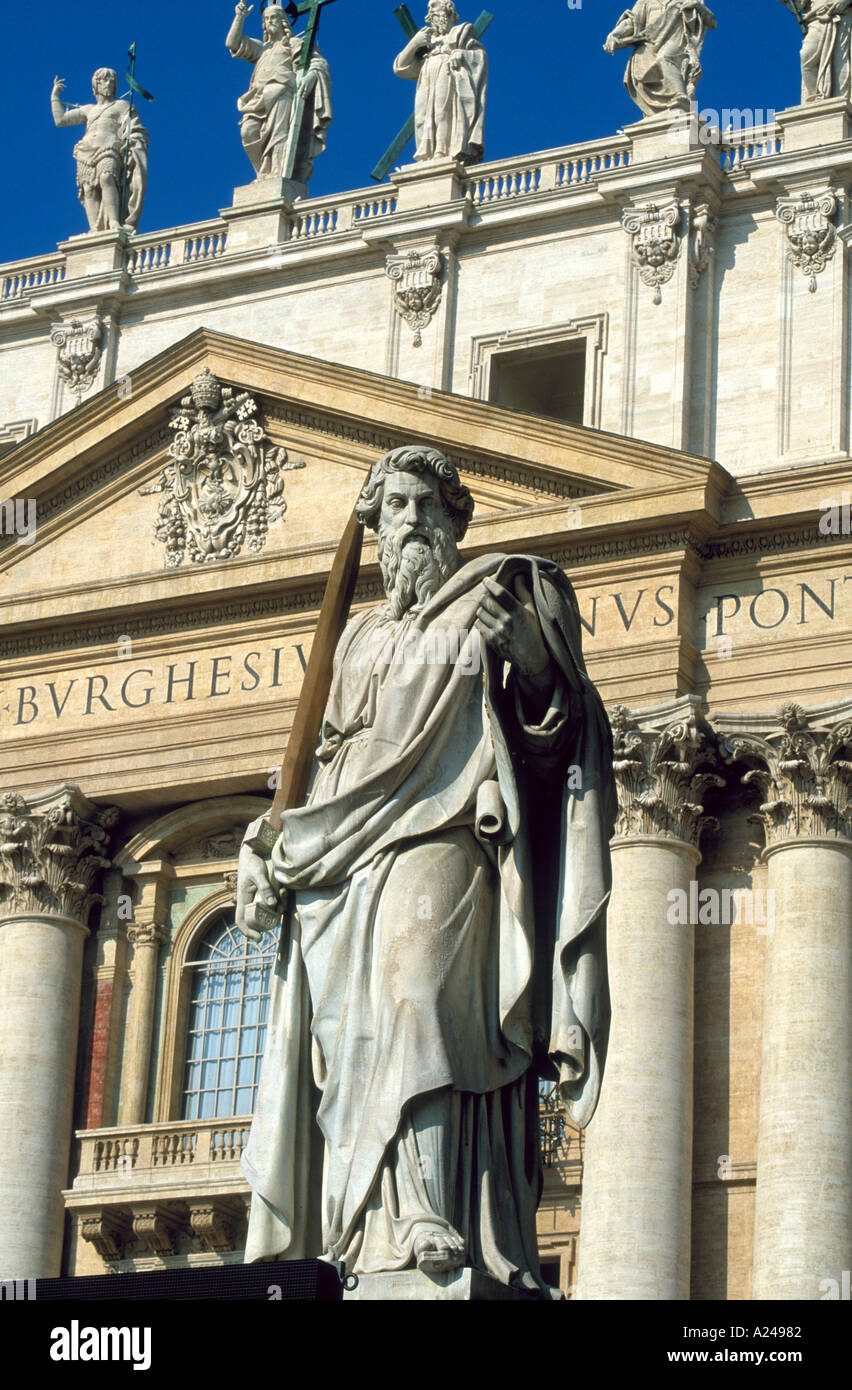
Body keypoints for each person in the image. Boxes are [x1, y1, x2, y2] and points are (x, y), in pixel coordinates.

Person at [236, 445, 615, 1292]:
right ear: (373, 528)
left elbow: (557, 738)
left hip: (445, 832)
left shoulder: (493, 600)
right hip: (343, 862)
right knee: (350, 1043)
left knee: (420, 999)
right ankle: (367, 1233)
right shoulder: (360, 638)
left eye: (428, 507)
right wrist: (270, 845)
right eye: (396, 507)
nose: (411, 522)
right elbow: (323, 757)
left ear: (454, 521)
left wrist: (536, 662)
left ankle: (426, 1212)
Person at [225, 1, 332, 185]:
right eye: (266, 19)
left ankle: (276, 175)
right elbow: (232, 43)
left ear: (283, 20)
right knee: (248, 132)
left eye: (273, 17)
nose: (269, 21)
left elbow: (318, 63)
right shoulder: (262, 49)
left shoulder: (294, 43)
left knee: (279, 135)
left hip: (282, 92)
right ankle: (262, 173)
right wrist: (239, 18)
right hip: (257, 98)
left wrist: (311, 76)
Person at [51, 69, 148, 233]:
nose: (109, 84)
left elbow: (135, 128)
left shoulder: (122, 105)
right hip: (85, 151)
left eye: (112, 81)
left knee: (107, 178)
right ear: (96, 85)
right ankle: (95, 229)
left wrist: (133, 139)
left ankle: (114, 222)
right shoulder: (88, 109)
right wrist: (55, 97)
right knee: (88, 189)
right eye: (104, 80)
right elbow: (60, 120)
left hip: (109, 147)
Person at [393, 1, 488, 164]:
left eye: (434, 5)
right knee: (422, 117)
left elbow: (480, 57)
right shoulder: (426, 39)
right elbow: (400, 67)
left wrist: (462, 55)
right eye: (429, 7)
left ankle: (441, 151)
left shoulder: (461, 32)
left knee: (442, 111)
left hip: (448, 72)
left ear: (448, 10)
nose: (430, 10)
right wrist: (414, 43)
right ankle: (425, 153)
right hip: (427, 75)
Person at [604, 0, 717, 118]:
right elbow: (632, 21)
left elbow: (712, 22)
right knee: (638, 66)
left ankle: (681, 96)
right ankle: (655, 113)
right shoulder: (645, 1)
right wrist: (614, 35)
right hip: (650, 41)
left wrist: (697, 6)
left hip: (676, 40)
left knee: (664, 58)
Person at [792, 1, 852, 102]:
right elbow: (799, 4)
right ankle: (814, 98)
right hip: (816, 18)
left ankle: (840, 106)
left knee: (840, 67)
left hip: (842, 17)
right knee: (806, 57)